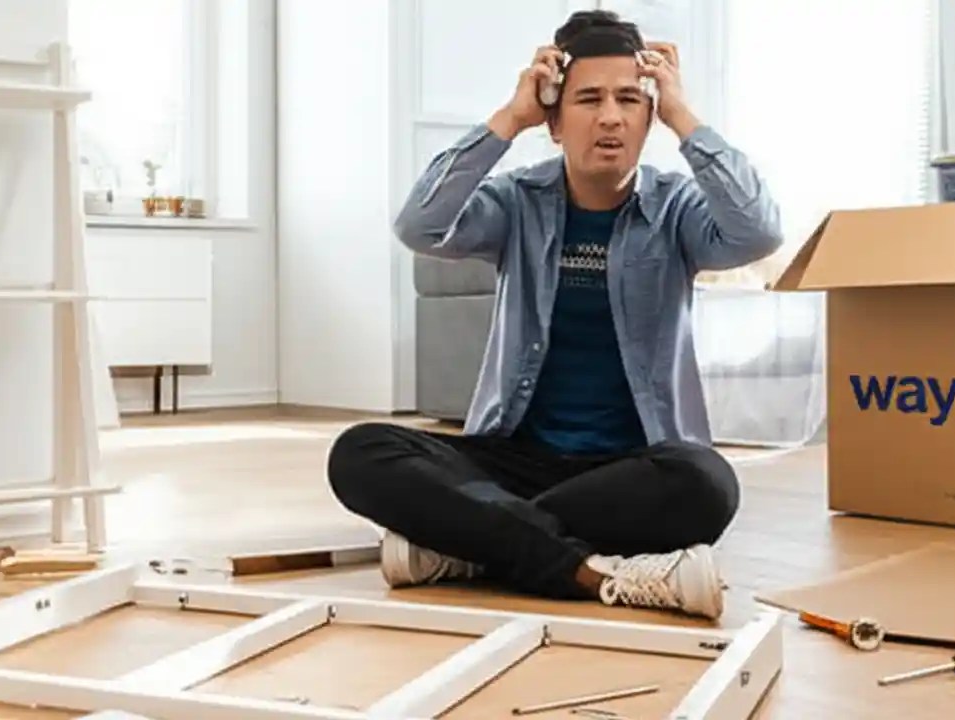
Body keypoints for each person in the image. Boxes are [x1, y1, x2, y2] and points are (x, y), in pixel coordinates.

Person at [326, 11, 784, 620]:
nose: (611, 117)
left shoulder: (676, 209)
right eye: (589, 99)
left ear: (649, 116)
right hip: (514, 456)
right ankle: (586, 569)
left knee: (707, 482)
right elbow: (421, 223)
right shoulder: (518, 201)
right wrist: (509, 119)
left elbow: (758, 232)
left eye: (629, 99)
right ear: (555, 120)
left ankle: (470, 546)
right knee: (360, 451)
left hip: (629, 468)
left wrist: (683, 116)